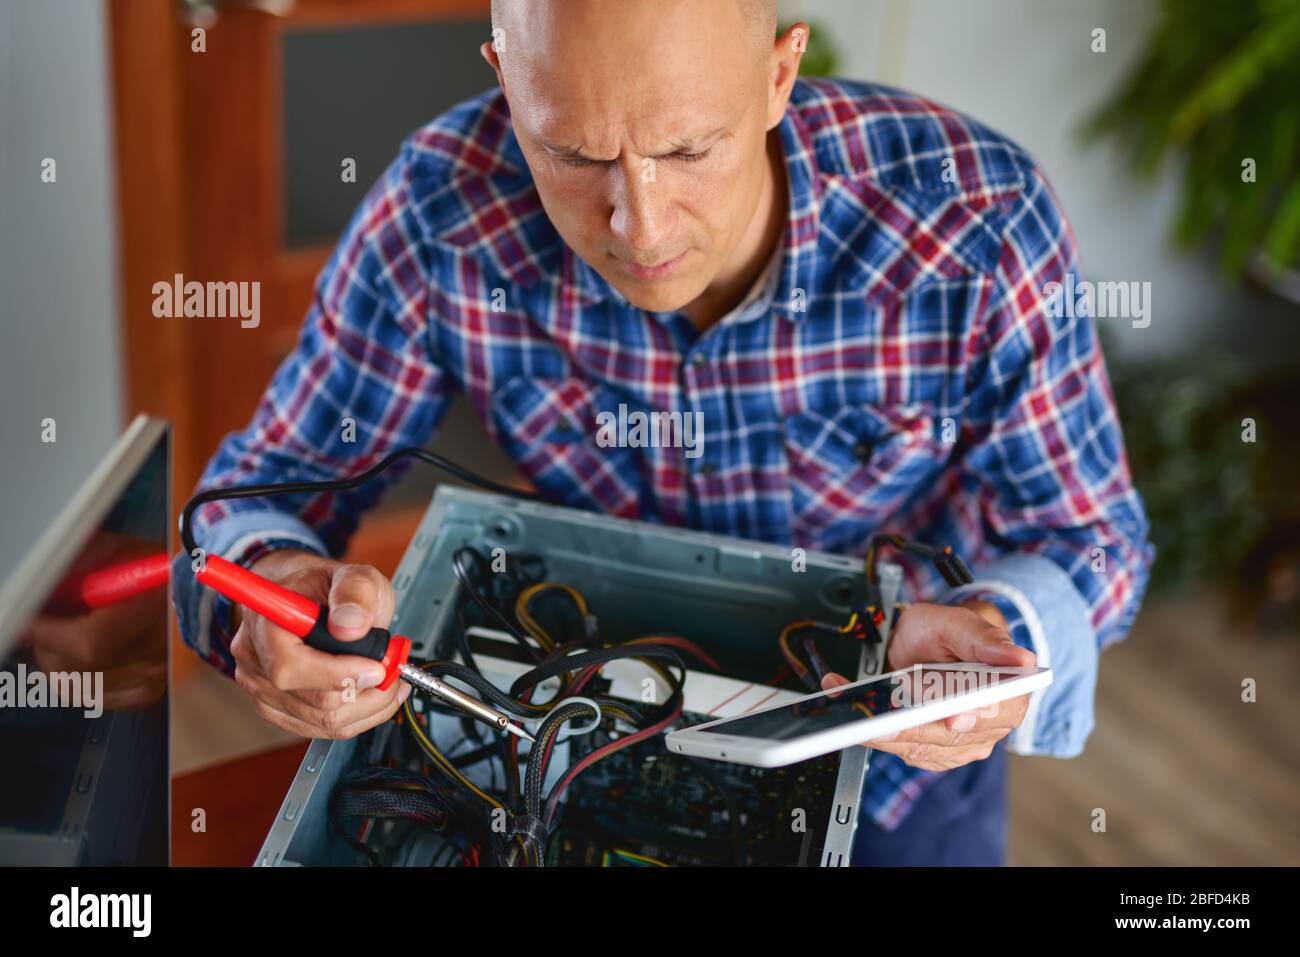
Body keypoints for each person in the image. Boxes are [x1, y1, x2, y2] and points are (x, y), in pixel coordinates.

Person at [172, 0, 1153, 865]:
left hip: (894, 774)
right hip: (574, 750)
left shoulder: (973, 218)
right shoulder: (438, 210)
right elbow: (261, 497)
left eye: (689, 151)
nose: (638, 228)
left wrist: (991, 637)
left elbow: (1091, 539)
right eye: (571, 154)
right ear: (505, 81)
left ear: (779, 76)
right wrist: (276, 598)